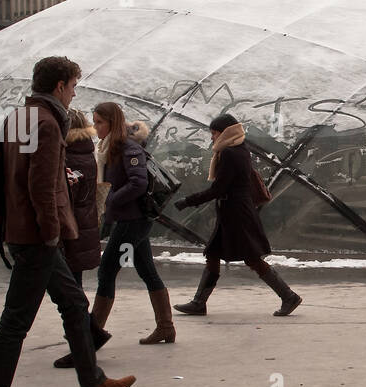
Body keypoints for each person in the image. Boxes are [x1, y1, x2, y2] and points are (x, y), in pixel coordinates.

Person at [0, 57, 135, 387]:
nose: (75, 94)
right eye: (74, 86)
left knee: (74, 304)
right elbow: (41, 185)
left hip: (24, 230)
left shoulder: (20, 117)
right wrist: (50, 232)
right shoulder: (46, 124)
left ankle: (93, 382)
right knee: (16, 319)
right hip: (38, 236)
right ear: (59, 86)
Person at [171, 114, 302, 317]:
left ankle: (288, 296)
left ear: (224, 132)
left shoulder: (231, 154)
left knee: (252, 259)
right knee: (213, 254)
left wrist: (188, 201)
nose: (212, 138)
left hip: (236, 215)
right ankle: (199, 303)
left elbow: (219, 188)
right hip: (231, 213)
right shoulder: (239, 149)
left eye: (214, 133)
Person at [94, 107, 175, 346]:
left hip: (133, 220)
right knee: (147, 271)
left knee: (107, 270)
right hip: (131, 219)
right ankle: (166, 327)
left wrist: (111, 199)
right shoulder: (110, 148)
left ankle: (93, 332)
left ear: (112, 123)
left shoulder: (128, 148)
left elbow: (138, 183)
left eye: (99, 122)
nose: (96, 127)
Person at [51, 109, 111, 368]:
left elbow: (67, 198)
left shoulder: (70, 157)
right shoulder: (82, 151)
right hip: (79, 231)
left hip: (72, 234)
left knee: (69, 294)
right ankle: (88, 339)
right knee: (70, 292)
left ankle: (87, 341)